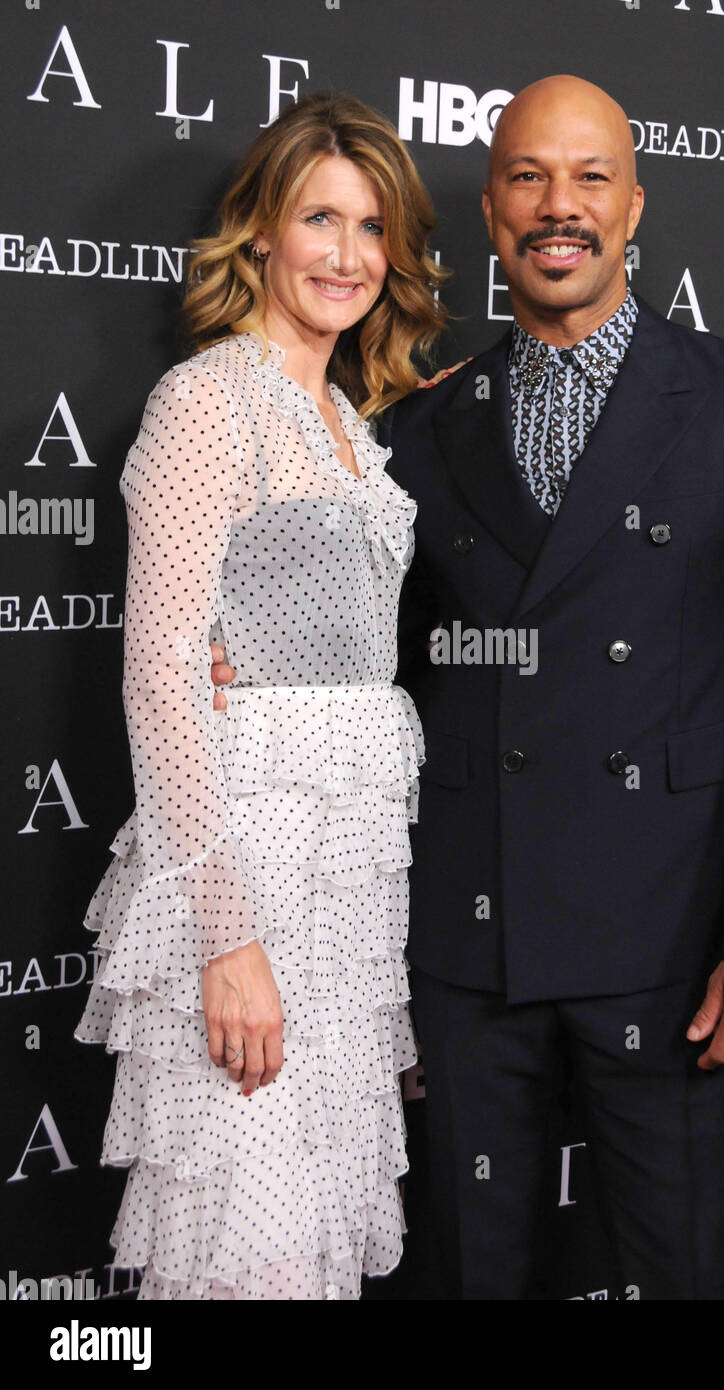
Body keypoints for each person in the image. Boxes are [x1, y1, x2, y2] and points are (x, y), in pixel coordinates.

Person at [215, 74, 724, 1300]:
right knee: (468, 1273)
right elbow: (380, 661)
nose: (558, 206)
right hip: (465, 942)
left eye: (588, 178)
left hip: (665, 949)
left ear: (632, 205)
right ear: (494, 212)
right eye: (527, 178)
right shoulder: (417, 423)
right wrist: (259, 657)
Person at [76, 90, 447, 1300]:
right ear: (261, 235)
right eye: (318, 219)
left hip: (349, 886)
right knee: (253, 1244)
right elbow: (163, 674)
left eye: (371, 227)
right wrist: (223, 937)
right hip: (244, 861)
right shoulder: (208, 403)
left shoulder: (349, 419)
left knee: (320, 1226)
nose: (346, 254)